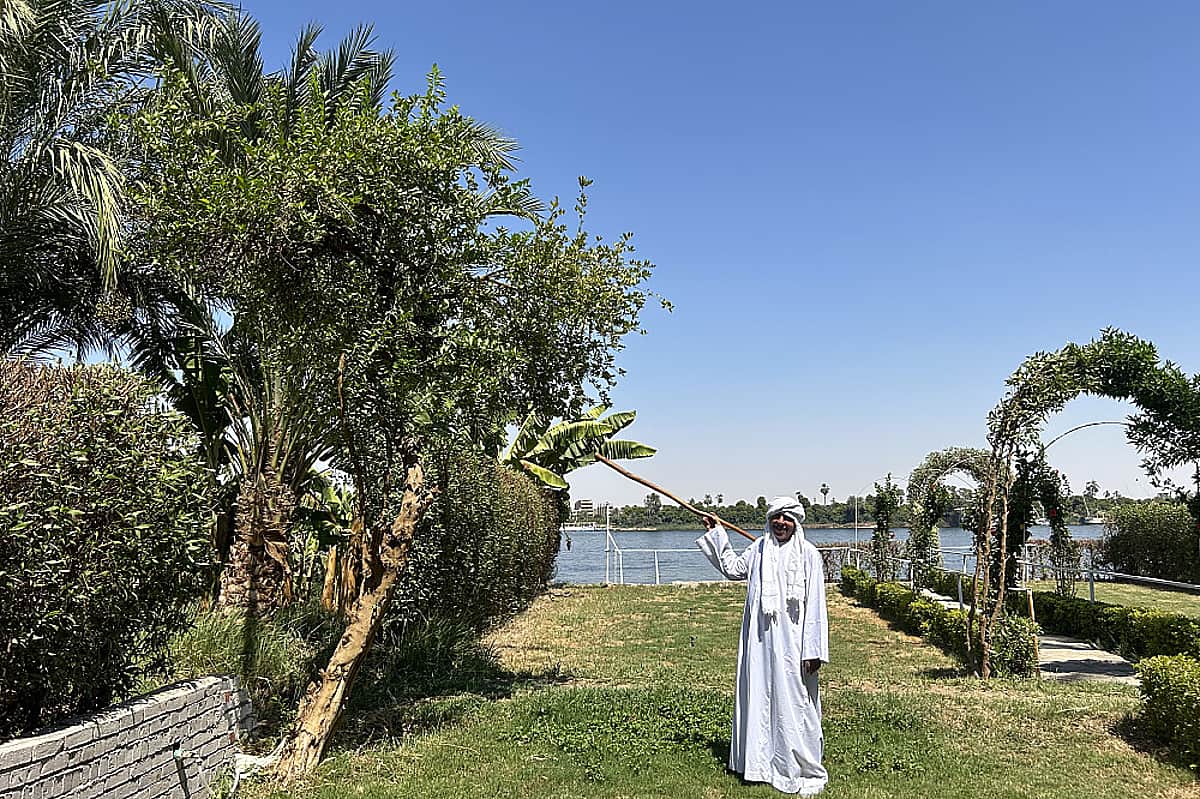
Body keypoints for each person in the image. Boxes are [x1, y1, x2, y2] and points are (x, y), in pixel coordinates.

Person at [695, 495, 829, 796]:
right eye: (775, 517)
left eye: (786, 518)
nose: (780, 523)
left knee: (795, 700)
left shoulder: (808, 554)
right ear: (769, 521)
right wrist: (717, 532)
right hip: (759, 641)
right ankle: (757, 763)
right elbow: (731, 568)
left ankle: (797, 764)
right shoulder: (758, 549)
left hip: (794, 645)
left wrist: (814, 650)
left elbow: (817, 606)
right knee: (759, 693)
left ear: (795, 522)